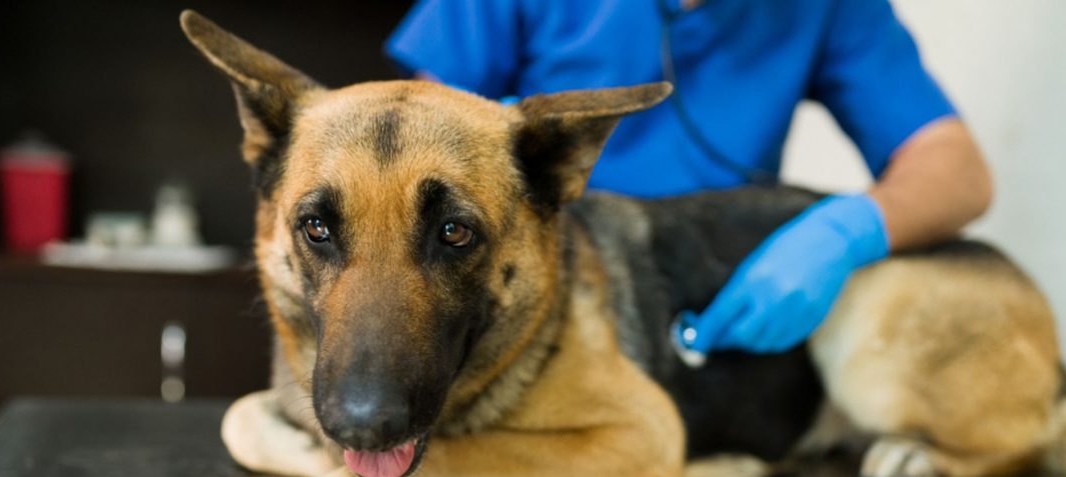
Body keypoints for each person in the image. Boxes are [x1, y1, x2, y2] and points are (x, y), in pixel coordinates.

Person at [385, 0, 993, 356]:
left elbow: (957, 169)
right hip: (550, 300)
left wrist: (845, 233)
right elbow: (414, 145)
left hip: (712, 296)